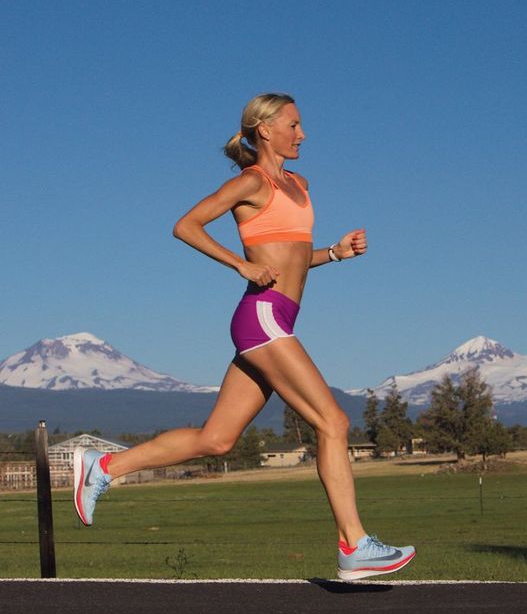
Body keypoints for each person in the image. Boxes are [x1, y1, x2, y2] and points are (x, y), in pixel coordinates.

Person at [73, 93, 415, 580]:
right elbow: (185, 226)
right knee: (334, 422)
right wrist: (240, 264)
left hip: (277, 320)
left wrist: (335, 254)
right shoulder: (250, 182)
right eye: (294, 125)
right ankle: (354, 545)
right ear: (265, 130)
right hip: (262, 319)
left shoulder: (299, 184)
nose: (303, 134)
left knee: (216, 440)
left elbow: (291, 258)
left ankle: (103, 466)